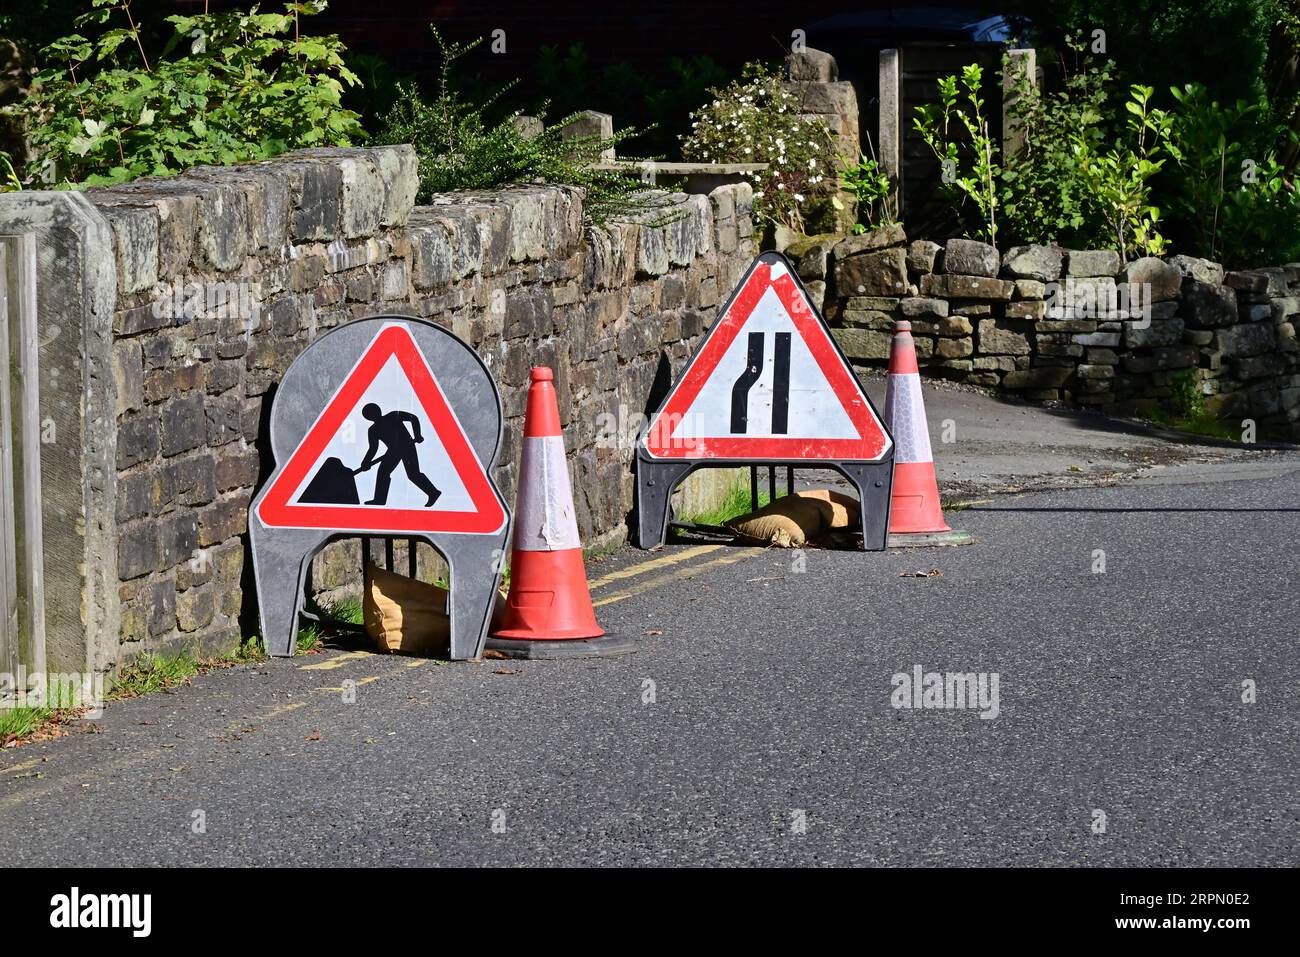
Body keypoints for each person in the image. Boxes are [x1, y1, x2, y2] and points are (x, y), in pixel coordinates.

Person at [353, 403, 441, 507]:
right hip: (393, 451)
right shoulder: (373, 430)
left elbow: (413, 418)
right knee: (383, 472)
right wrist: (366, 462)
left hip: (407, 446)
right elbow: (373, 448)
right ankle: (379, 499)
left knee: (413, 474)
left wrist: (417, 434)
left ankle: (433, 493)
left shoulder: (393, 416)